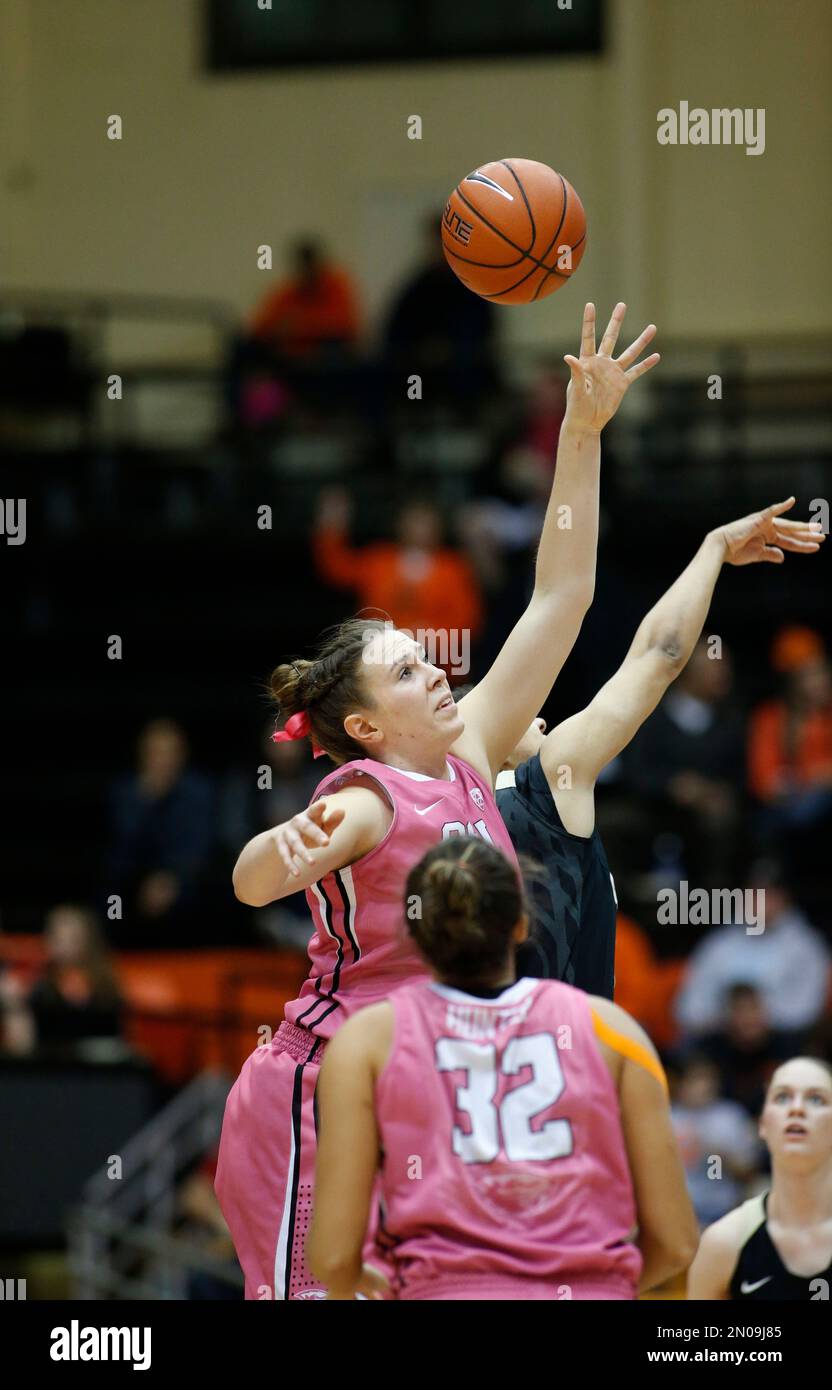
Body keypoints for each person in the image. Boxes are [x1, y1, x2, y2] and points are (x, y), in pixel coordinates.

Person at [215, 301, 662, 1299]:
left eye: (424, 658)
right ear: (367, 726)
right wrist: (289, 844)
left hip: (419, 1090)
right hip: (318, 1094)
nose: (434, 671)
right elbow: (250, 883)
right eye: (410, 670)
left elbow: (560, 598)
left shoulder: (466, 754)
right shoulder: (367, 797)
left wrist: (581, 433)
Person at [307, 837, 698, 1300]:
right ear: (520, 926)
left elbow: (333, 1258)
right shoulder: (611, 1030)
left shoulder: (367, 1041)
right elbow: (676, 1244)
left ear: (414, 934)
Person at [494, 501, 824, 998]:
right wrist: (713, 551)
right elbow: (657, 655)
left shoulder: (430, 810)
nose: (540, 718)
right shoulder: (539, 787)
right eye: (520, 714)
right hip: (557, 1051)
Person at [687, 1057, 832, 1299]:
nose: (797, 1109)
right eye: (782, 1097)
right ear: (763, 1123)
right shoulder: (723, 1242)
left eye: (816, 1099)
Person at [313, 489, 483, 660]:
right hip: (380, 657)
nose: (419, 528)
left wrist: (428, 638)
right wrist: (331, 525)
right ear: (399, 524)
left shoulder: (453, 567)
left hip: (439, 662)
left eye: (425, 521)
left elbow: (467, 618)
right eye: (413, 521)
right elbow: (338, 570)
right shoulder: (379, 560)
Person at [674, 860, 831, 1037]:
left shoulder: (806, 946)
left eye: (768, 894)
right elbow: (689, 1008)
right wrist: (731, 1019)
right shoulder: (719, 943)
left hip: (782, 1042)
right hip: (723, 1039)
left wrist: (757, 1019)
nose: (760, 901)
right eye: (754, 893)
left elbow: (807, 1011)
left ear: (784, 898)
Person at [108, 717, 217, 948]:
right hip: (134, 886)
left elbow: (201, 848)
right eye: (156, 753)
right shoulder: (126, 794)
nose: (163, 760)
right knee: (111, 899)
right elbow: (120, 851)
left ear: (182, 756)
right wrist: (147, 802)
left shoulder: (199, 793)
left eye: (170, 753)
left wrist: (172, 881)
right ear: (143, 755)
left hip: (182, 885)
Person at [669, 1053, 761, 1227]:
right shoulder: (666, 1117)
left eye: (708, 1080)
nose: (703, 1086)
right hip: (678, 1212)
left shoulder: (729, 1116)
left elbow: (749, 1172)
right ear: (680, 1083)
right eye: (695, 1080)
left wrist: (721, 1157)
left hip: (721, 1209)